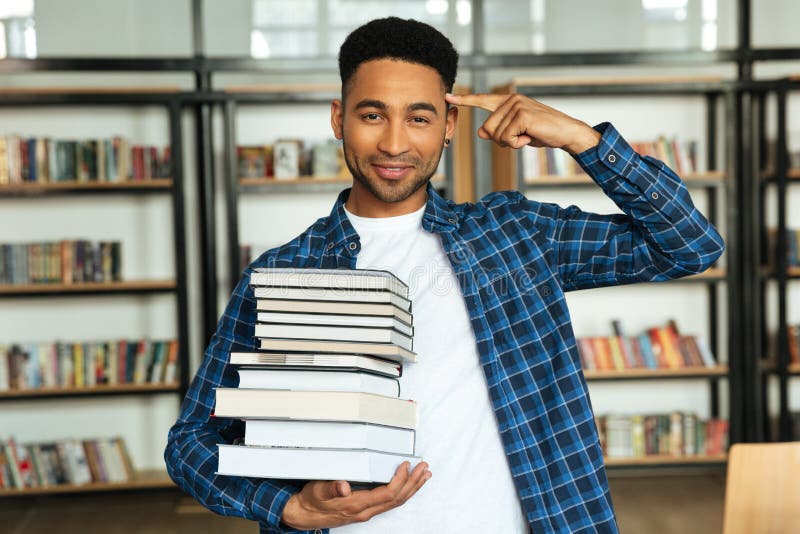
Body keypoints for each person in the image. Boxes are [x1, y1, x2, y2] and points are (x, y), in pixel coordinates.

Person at [165, 17, 724, 534]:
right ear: (339, 118)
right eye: (372, 114)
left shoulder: (514, 235)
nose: (394, 143)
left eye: (419, 117)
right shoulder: (282, 271)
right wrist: (286, 506)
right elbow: (192, 442)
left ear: (449, 124)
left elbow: (689, 245)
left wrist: (582, 139)